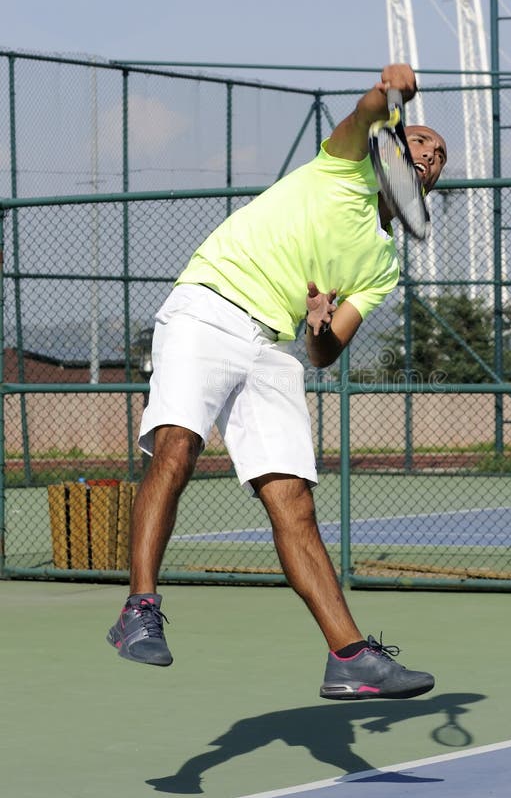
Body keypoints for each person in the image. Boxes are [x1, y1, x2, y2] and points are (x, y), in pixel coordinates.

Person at [107, 63, 447, 700]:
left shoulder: (382, 264)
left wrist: (318, 324)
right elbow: (366, 111)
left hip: (272, 345)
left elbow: (325, 352)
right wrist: (392, 92)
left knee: (295, 502)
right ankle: (138, 610)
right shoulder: (343, 165)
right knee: (177, 447)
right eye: (422, 140)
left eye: (440, 155)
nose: (430, 152)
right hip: (210, 305)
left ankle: (349, 657)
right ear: (394, 146)